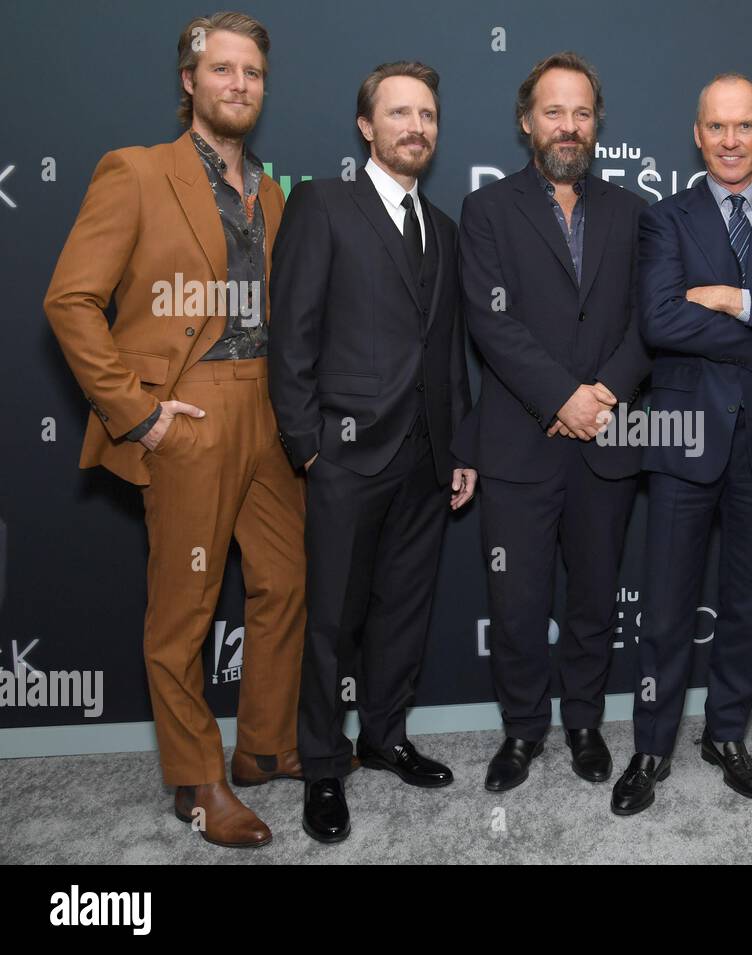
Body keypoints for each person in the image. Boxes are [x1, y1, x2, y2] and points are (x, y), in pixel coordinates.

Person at [44, 12, 305, 848]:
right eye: (222, 70)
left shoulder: (270, 190)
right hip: (188, 413)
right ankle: (199, 783)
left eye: (252, 73)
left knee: (287, 580)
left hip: (268, 409)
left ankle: (264, 745)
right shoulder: (137, 172)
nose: (239, 85)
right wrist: (140, 413)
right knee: (184, 611)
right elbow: (70, 300)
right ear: (189, 81)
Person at [611, 74, 752, 816]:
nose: (732, 140)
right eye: (718, 127)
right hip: (684, 434)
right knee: (668, 604)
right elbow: (659, 322)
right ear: (698, 134)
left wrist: (735, 300)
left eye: (745, 126)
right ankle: (651, 745)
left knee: (749, 603)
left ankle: (727, 735)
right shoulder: (665, 218)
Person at [268, 61, 474, 843]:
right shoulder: (323, 203)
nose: (415, 126)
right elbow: (292, 335)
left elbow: (446, 349)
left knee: (403, 612)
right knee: (332, 622)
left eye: (426, 114)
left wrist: (456, 445)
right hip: (344, 455)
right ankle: (323, 764)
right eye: (398, 113)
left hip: (424, 457)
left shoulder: (444, 228)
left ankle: (383, 737)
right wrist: (307, 445)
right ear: (367, 126)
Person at [452, 53, 650, 792]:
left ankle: (584, 723)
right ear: (527, 121)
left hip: (607, 440)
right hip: (520, 442)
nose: (569, 125)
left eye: (582, 112)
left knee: (596, 598)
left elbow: (646, 319)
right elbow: (491, 324)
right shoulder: (488, 210)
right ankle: (523, 730)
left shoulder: (633, 212)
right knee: (518, 602)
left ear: (596, 123)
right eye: (554, 111)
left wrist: (603, 394)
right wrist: (563, 396)